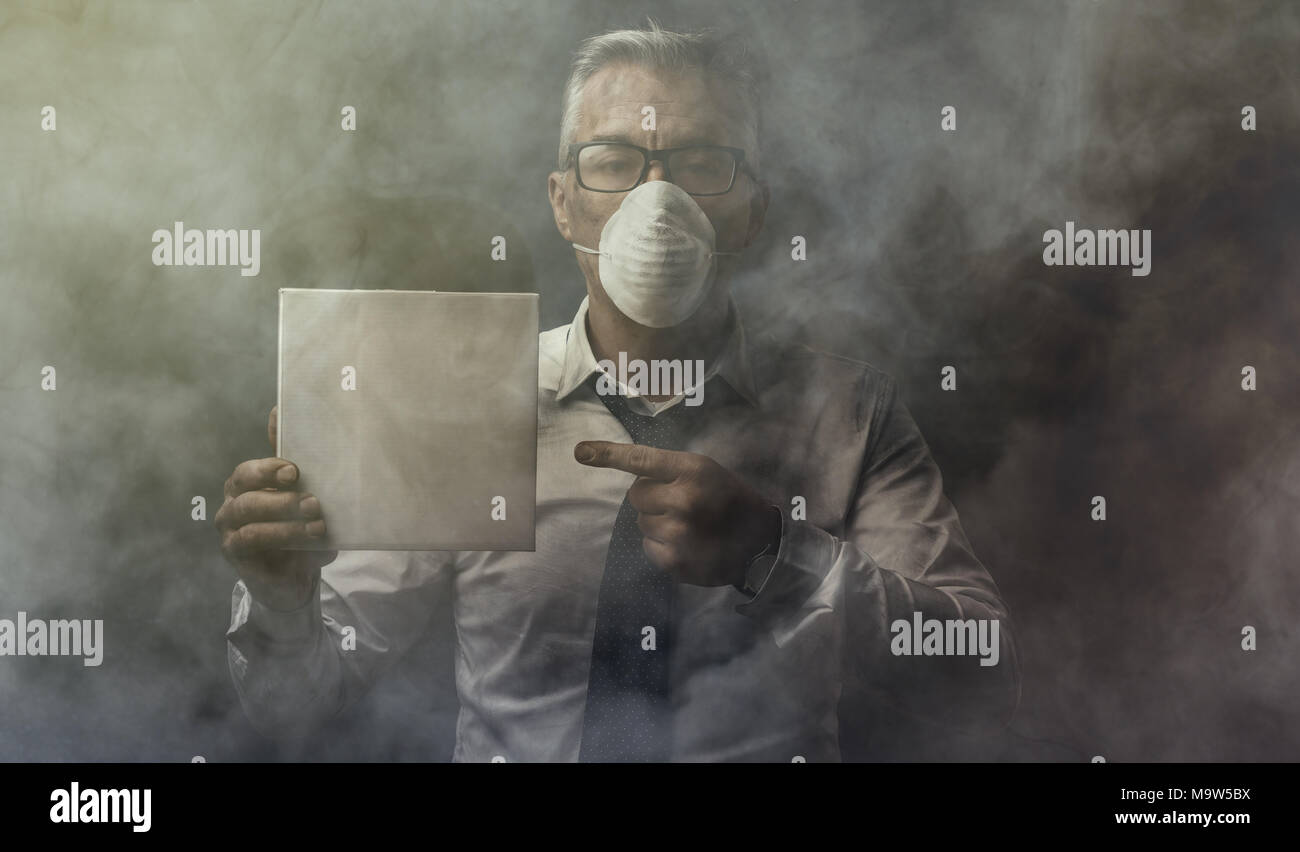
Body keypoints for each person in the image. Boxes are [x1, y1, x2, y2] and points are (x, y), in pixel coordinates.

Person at [217, 21, 1020, 762]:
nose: (655, 201)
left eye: (703, 162)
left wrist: (774, 554)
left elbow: (978, 663)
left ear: (751, 212)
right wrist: (282, 596)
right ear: (563, 204)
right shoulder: (466, 401)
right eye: (612, 163)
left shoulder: (847, 412)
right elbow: (296, 706)